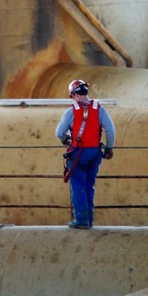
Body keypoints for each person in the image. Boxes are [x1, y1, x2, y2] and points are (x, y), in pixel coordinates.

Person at [55, 78, 115, 229]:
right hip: (95, 153)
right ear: (86, 92)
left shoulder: (71, 112)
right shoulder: (99, 109)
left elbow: (59, 132)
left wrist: (65, 141)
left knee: (78, 186)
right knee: (89, 185)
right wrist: (109, 148)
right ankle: (90, 218)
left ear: (74, 95)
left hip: (78, 154)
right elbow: (110, 129)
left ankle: (82, 220)